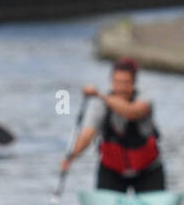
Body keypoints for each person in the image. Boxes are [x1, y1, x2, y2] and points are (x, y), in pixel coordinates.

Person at [62, 58, 164, 194]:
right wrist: (71, 156)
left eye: (126, 83)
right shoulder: (101, 105)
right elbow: (87, 134)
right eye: (117, 82)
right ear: (111, 82)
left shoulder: (144, 100)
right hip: (113, 171)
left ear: (134, 83)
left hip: (147, 170)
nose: (121, 88)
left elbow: (132, 112)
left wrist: (98, 94)